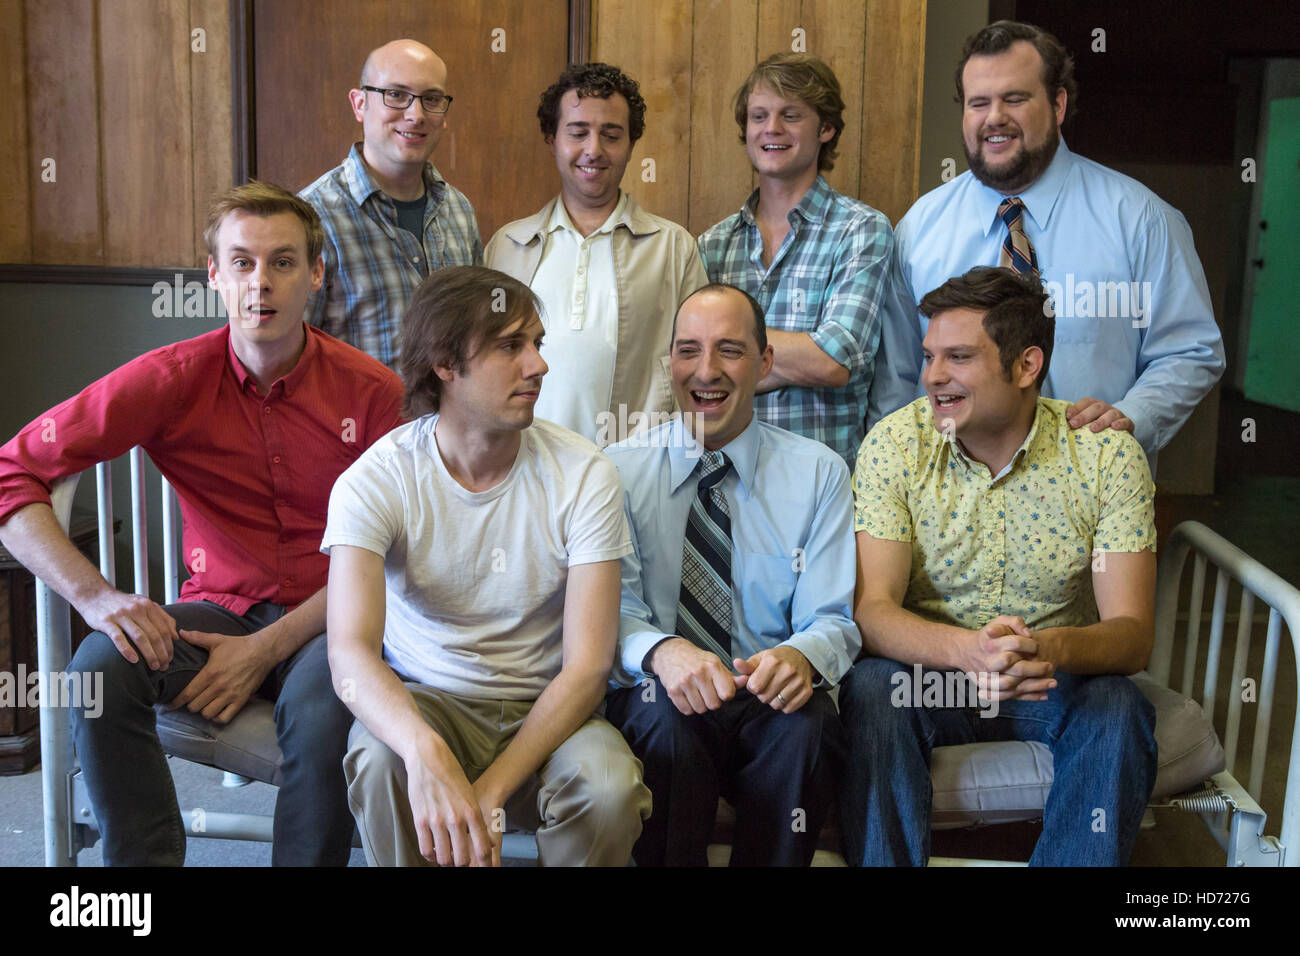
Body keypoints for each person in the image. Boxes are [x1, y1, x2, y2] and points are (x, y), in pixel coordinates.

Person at [0, 182, 406, 865]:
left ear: (315, 274)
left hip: (333, 614)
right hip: (217, 609)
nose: (261, 283)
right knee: (100, 666)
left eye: (282, 262)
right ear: (214, 276)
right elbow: (13, 473)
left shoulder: (373, 392)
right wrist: (98, 599)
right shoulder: (171, 378)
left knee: (324, 714)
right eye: (242, 262)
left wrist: (266, 650)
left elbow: (396, 553)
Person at [324, 265, 651, 866]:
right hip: (430, 700)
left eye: (537, 344)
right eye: (510, 346)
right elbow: (348, 654)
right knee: (378, 759)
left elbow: (586, 668)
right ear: (445, 364)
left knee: (609, 788)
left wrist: (490, 792)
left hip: (547, 707)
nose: (539, 366)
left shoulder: (584, 474)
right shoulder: (377, 478)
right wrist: (424, 752)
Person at [838, 266, 1159, 866]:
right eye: (930, 356)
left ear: (1026, 366)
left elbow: (1131, 635)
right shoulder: (894, 445)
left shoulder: (1105, 454)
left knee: (1120, 706)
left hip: (1053, 681)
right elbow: (872, 610)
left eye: (958, 357)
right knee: (871, 688)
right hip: (931, 672)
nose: (933, 377)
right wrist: (968, 652)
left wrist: (1047, 650)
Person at [887, 20, 1225, 460]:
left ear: (1058, 104)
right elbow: (894, 372)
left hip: (1087, 495)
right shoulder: (919, 228)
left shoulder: (1140, 220)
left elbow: (1191, 350)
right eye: (979, 103)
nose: (994, 118)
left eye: (1015, 99)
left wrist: (1131, 416)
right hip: (946, 502)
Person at [605, 283, 858, 866]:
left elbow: (831, 619)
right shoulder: (616, 471)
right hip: (662, 697)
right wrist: (662, 650)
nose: (706, 371)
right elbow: (608, 611)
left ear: (765, 363)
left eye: (730, 350)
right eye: (688, 350)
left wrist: (802, 657)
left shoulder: (819, 473)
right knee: (662, 715)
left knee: (810, 725)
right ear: (670, 362)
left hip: (762, 694)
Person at [485, 62, 708, 444]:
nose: (594, 150)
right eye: (578, 132)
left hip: (637, 475)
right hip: (526, 470)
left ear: (631, 144)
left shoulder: (673, 248)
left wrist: (685, 467)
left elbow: (700, 369)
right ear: (551, 138)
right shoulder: (507, 246)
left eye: (611, 135)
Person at [698, 53, 900, 468]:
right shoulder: (713, 245)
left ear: (826, 128)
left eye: (790, 115)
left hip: (823, 489)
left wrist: (730, 357)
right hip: (722, 484)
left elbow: (833, 362)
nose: (771, 129)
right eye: (758, 116)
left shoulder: (861, 229)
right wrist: (795, 355)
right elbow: (693, 371)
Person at [301, 39, 482, 369]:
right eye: (396, 95)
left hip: (453, 421)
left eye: (431, 99)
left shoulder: (459, 211)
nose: (415, 115)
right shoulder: (311, 217)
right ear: (359, 104)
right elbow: (289, 363)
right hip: (353, 422)